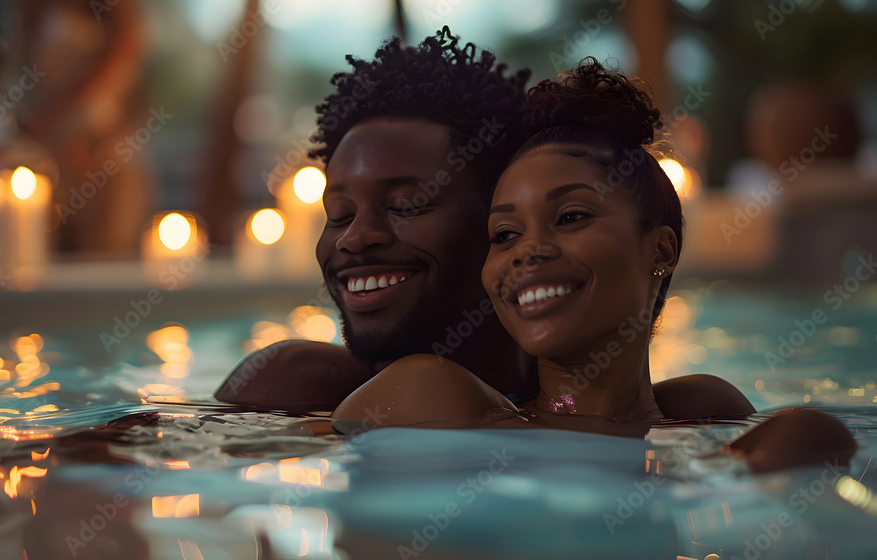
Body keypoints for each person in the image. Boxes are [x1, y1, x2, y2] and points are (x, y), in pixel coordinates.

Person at [332, 59, 857, 472]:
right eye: (505, 234)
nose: (527, 251)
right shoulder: (433, 397)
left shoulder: (708, 411)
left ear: (661, 251)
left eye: (570, 216)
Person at [216, 29, 753, 422]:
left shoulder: (696, 410)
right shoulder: (301, 383)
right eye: (337, 214)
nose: (355, 237)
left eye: (407, 203)